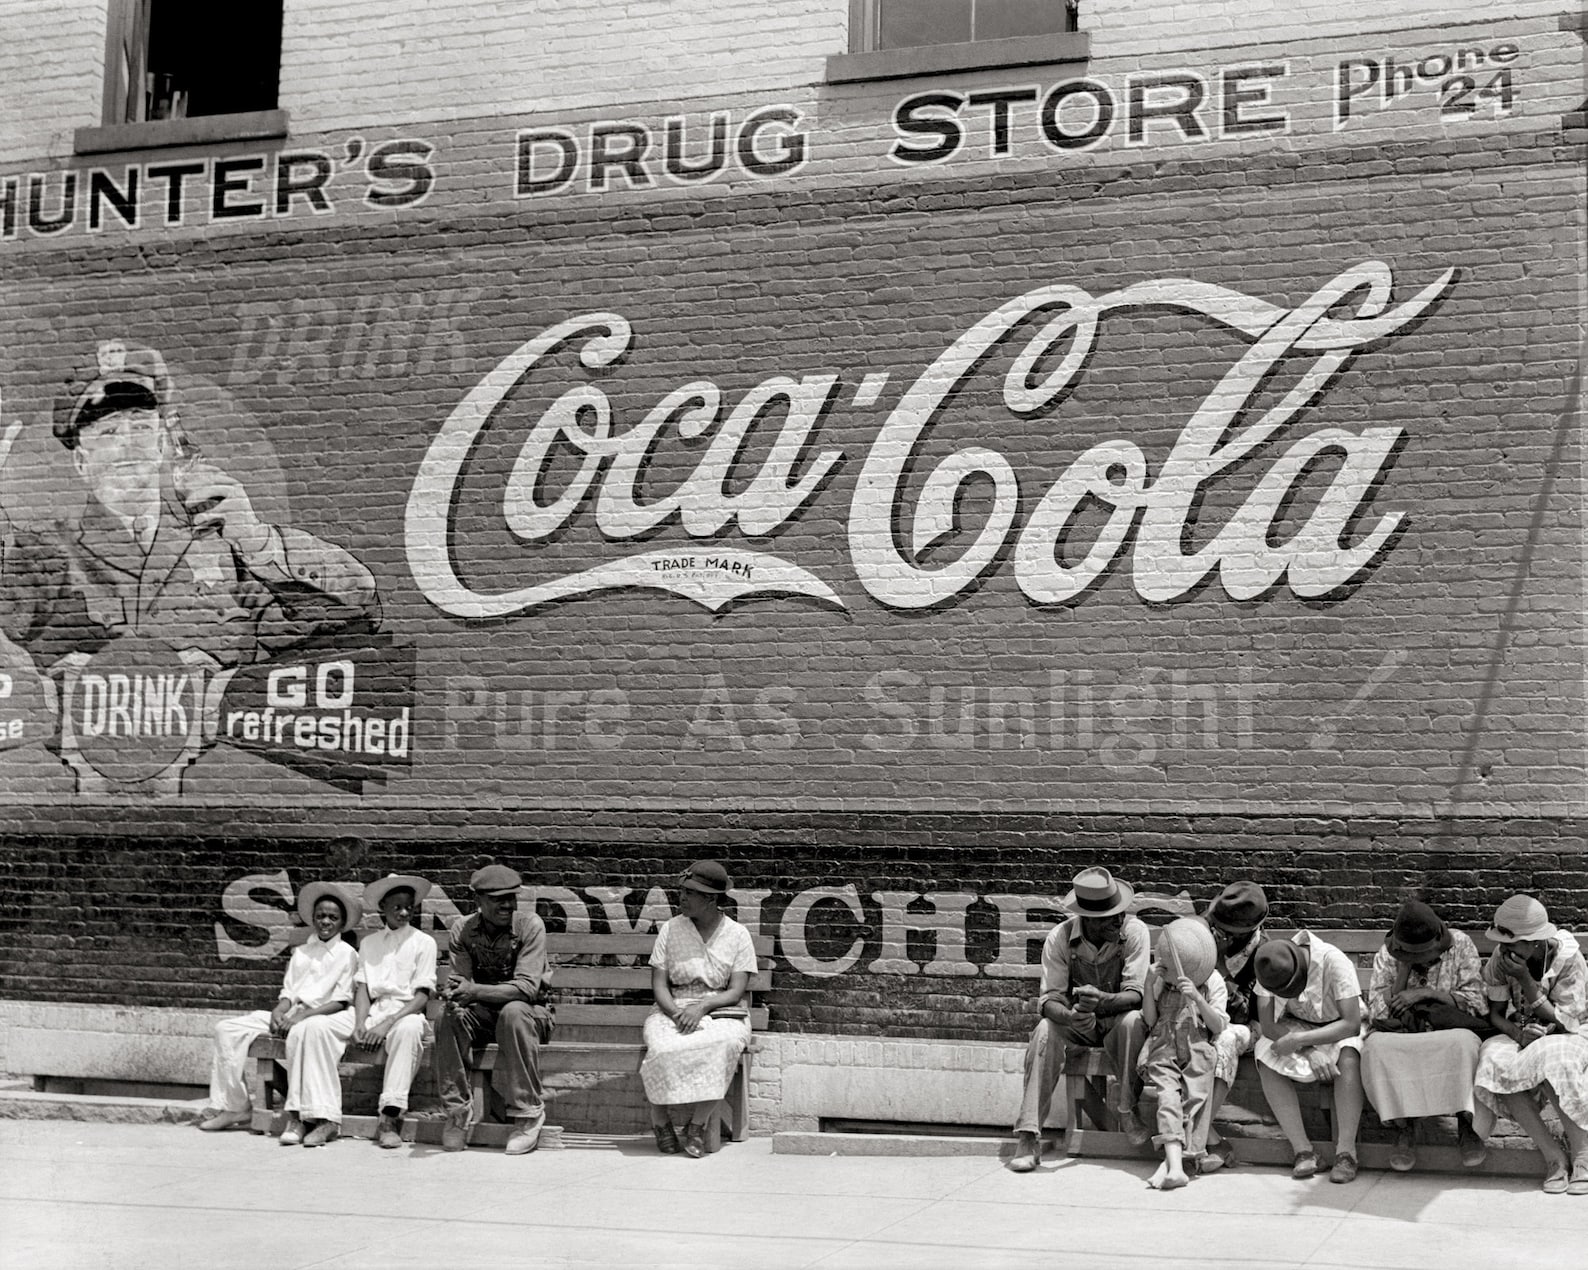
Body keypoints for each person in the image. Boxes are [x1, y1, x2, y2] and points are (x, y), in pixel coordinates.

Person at [0, 340, 378, 670]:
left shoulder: (224, 551)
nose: (127, 442)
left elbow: (357, 612)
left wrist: (259, 543)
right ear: (81, 462)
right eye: (108, 431)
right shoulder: (44, 555)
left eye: (141, 426)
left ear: (162, 445)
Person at [196, 881, 360, 1148]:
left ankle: (296, 1117)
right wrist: (278, 1011)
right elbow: (288, 994)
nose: (325, 922)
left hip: (321, 1017)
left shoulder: (347, 954)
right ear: (313, 919)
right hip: (293, 1014)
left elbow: (340, 1002)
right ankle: (235, 1105)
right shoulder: (302, 953)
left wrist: (301, 1017)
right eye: (320, 916)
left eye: (333, 917)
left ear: (342, 923)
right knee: (227, 1029)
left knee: (301, 1033)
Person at [1008, 867, 1149, 1172]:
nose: (1119, 919)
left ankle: (1127, 1108)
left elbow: (1136, 995)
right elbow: (1049, 1001)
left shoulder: (1135, 932)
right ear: (1089, 919)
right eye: (1111, 915)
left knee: (1134, 1020)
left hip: (1116, 1022)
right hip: (1079, 1027)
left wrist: (1102, 1002)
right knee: (1045, 1030)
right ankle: (1029, 1135)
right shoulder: (1059, 938)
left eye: (1120, 912)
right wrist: (1071, 1018)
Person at [641, 859, 759, 1158]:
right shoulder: (671, 929)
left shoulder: (737, 935)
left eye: (690, 893)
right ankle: (661, 1122)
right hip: (673, 1006)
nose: (682, 897)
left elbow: (735, 990)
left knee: (725, 1044)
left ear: (711, 899)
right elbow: (659, 984)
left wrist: (702, 1007)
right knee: (661, 1046)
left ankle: (697, 1126)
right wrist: (677, 1013)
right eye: (681, 891)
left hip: (721, 1009)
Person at [1359, 899, 1489, 1171]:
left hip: (1447, 1030)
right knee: (1377, 1048)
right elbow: (1379, 1015)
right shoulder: (1389, 954)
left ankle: (1466, 1125)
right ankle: (1404, 1128)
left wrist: (1427, 993)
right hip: (1403, 1032)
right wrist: (1403, 969)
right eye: (1411, 953)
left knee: (1464, 1044)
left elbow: (1477, 1003)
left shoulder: (1461, 944)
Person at [433, 863, 553, 1154]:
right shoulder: (463, 930)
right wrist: (455, 997)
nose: (507, 905)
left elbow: (526, 989)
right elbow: (463, 982)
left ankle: (528, 1115)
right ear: (479, 900)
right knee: (445, 1019)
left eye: (511, 898)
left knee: (513, 1012)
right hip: (485, 1016)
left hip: (531, 1017)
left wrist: (473, 991)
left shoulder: (529, 926)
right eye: (498, 899)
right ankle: (457, 1113)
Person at [1472, 895, 1588, 1195]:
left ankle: (1582, 1154)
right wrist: (1518, 1033)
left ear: (1535, 941)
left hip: (1573, 1031)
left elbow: (1566, 1022)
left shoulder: (1568, 958)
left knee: (1553, 1055)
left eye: (1512, 943)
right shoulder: (1501, 957)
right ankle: (1553, 1157)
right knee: (1493, 1060)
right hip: (1524, 1030)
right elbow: (1496, 1015)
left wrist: (1524, 979)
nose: (1505, 948)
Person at [1252, 931, 1366, 1182]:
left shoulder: (1334, 961)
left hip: (1337, 1026)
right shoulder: (1269, 965)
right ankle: (1303, 1150)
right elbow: (1269, 1025)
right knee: (1265, 1053)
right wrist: (1308, 1049)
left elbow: (1351, 1023)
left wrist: (1301, 1041)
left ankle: (1346, 1153)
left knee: (1349, 1054)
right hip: (1296, 1028)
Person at [1137, 917, 1227, 1190]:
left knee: (1196, 1099)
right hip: (1163, 1044)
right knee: (1167, 1097)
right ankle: (1176, 1166)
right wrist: (1148, 985)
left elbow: (1218, 1025)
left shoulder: (1212, 980)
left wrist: (1198, 999)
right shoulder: (1162, 977)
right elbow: (1151, 1020)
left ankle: (1169, 1164)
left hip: (1197, 1046)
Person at [352, 873, 438, 1149]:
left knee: (409, 1029)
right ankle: (317, 1114)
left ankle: (390, 1117)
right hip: (374, 1012)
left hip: (406, 1013)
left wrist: (387, 1023)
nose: (403, 912)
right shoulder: (369, 944)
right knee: (317, 1029)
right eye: (397, 907)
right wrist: (359, 1023)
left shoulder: (424, 942)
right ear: (382, 908)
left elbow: (422, 995)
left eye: (409, 907)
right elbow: (363, 989)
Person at [1201, 881, 1268, 1170]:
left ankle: (1196, 1134)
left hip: (1248, 1028)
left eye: (1228, 930)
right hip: (1204, 1020)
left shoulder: (1263, 952)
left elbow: (1245, 1014)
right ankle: (1206, 1136)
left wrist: (1220, 965)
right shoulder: (1205, 932)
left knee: (1225, 1038)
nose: (1219, 932)